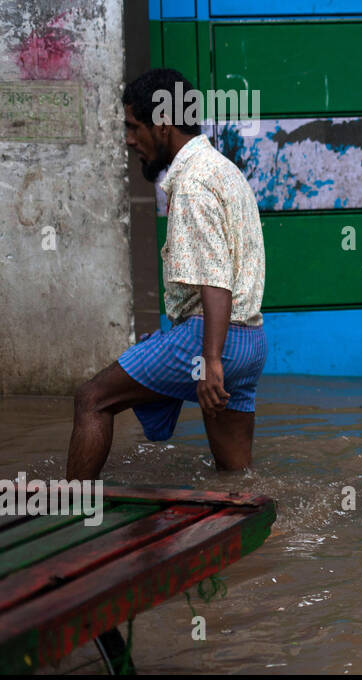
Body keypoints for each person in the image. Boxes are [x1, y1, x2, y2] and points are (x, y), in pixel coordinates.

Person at [66, 68, 267, 479]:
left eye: (133, 127)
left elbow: (215, 279)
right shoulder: (225, 170)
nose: (128, 139)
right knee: (236, 475)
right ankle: (249, 528)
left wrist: (210, 360)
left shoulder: (193, 184)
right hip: (250, 343)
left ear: (162, 124)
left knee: (92, 399)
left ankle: (71, 515)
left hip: (211, 341)